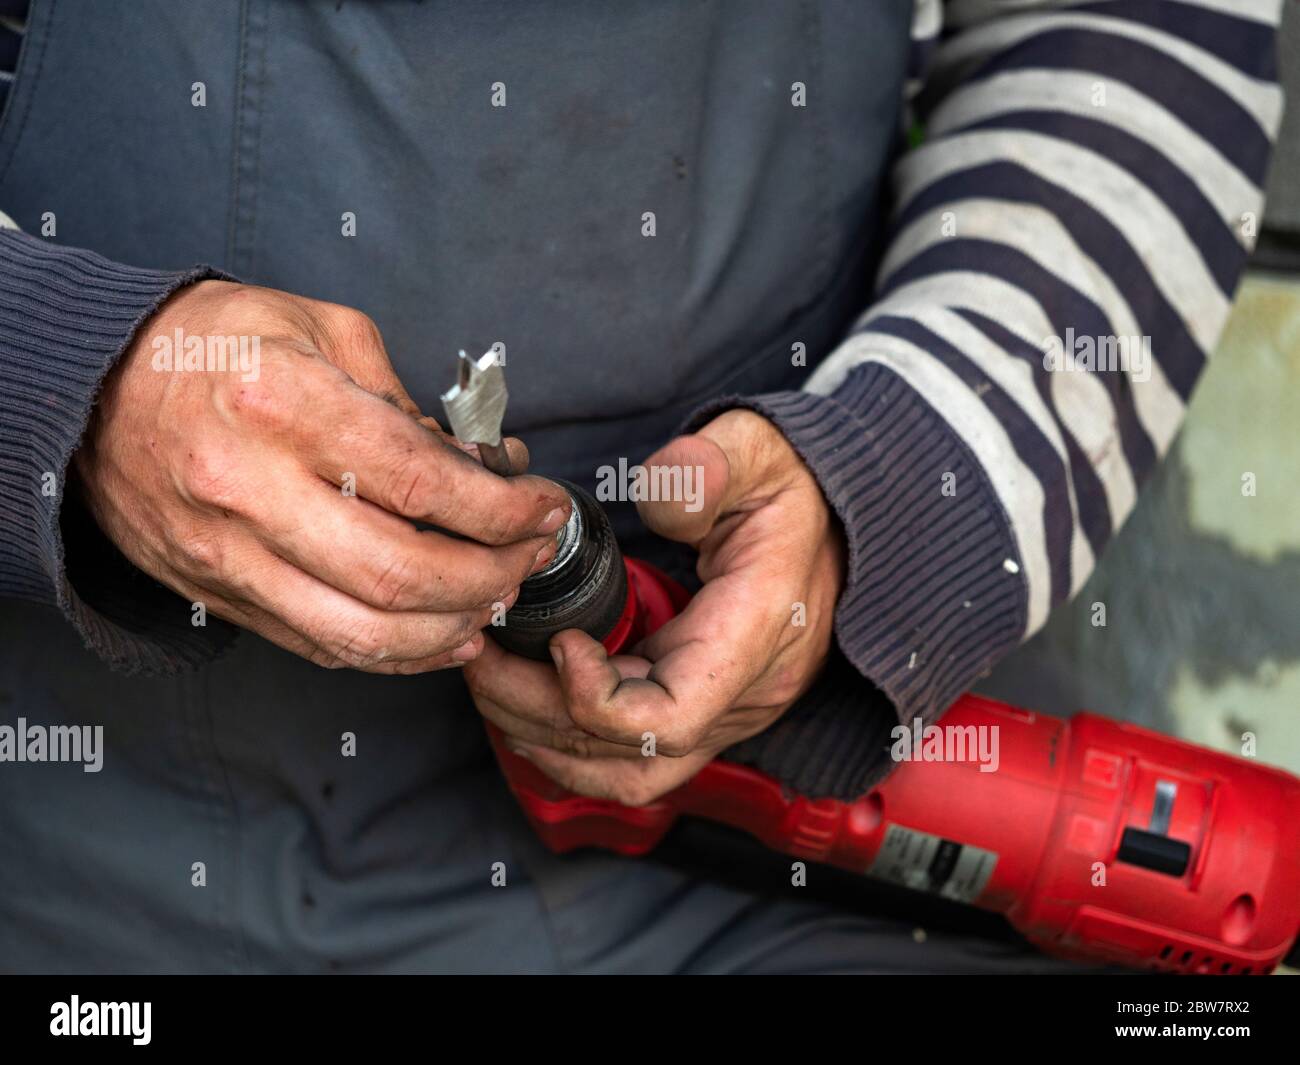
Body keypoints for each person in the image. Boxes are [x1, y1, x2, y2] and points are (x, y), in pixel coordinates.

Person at [0, 0, 1282, 972]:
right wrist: (58, 374)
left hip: (743, 878)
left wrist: (891, 481)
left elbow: (1128, 32)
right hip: (54, 864)